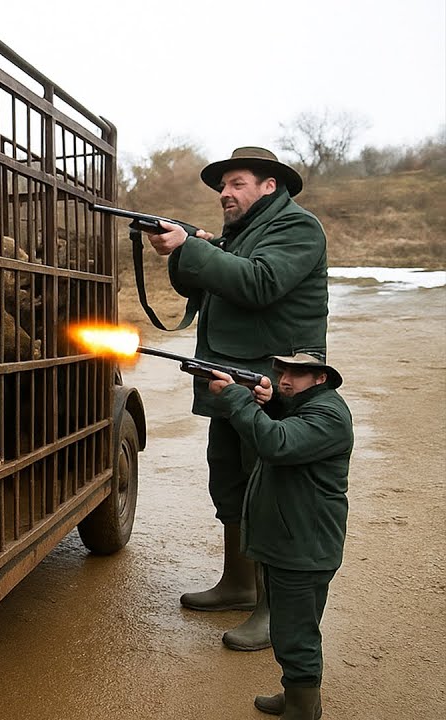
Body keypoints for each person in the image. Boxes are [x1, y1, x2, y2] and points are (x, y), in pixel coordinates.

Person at [145, 146, 329, 651]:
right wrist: (186, 249)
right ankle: (240, 583)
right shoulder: (241, 232)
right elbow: (202, 284)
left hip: (276, 380)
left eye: (236, 183)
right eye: (223, 186)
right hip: (232, 374)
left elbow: (260, 283)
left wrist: (196, 247)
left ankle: (276, 611)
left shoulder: (297, 227)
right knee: (229, 479)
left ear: (270, 185)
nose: (225, 193)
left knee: (270, 492)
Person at [208, 355, 352, 719]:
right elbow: (288, 424)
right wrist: (270, 402)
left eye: (297, 374)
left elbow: (277, 443)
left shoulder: (329, 415)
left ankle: (303, 709)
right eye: (283, 372)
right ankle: (297, 697)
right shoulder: (309, 407)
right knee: (288, 629)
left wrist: (236, 398)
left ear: (320, 378)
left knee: (297, 634)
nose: (285, 380)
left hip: (304, 547)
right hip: (291, 543)